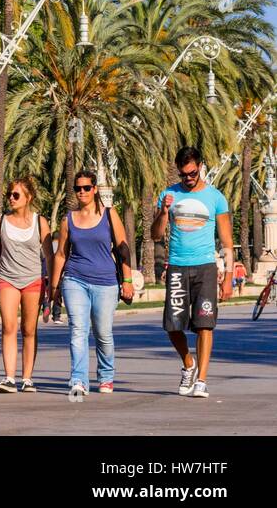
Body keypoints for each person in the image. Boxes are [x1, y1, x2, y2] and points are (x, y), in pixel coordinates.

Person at [151, 146, 234, 398]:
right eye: (183, 174)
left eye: (193, 172)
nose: (188, 178)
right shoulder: (168, 195)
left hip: (205, 268)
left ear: (200, 167)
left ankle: (201, 380)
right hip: (177, 266)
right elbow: (155, 235)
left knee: (204, 325)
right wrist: (164, 212)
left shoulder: (216, 198)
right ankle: (189, 363)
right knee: (173, 326)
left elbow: (227, 242)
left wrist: (228, 277)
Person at [50, 169, 135, 397]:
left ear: (95, 189)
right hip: (75, 279)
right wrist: (54, 286)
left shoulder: (109, 214)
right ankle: (78, 379)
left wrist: (127, 280)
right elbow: (60, 255)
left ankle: (106, 376)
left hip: (106, 282)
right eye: (77, 188)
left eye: (86, 188)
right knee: (78, 330)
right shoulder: (68, 219)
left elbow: (123, 246)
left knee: (103, 333)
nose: (82, 192)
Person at [0, 176, 53, 393]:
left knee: (29, 329)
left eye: (16, 195)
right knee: (8, 326)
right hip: (8, 279)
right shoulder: (1, 221)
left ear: (28, 197)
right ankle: (9, 378)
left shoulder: (40, 222)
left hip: (33, 280)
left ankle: (27, 379)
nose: (11, 198)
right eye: (9, 194)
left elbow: (49, 256)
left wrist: (52, 285)